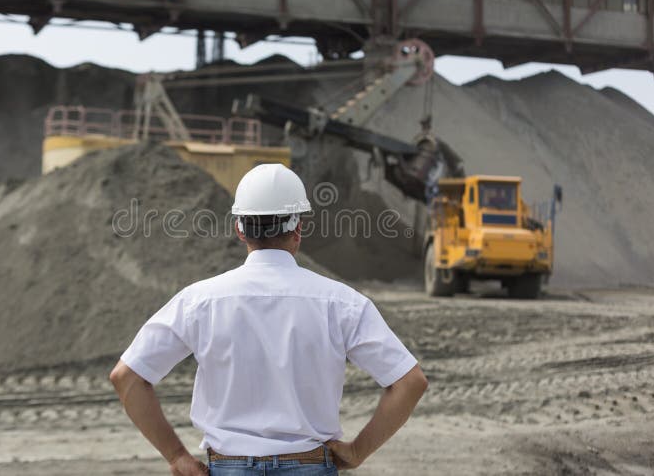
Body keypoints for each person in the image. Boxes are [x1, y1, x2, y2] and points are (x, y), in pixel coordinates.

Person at [110, 163, 428, 475]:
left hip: (228, 467)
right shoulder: (341, 303)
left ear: (239, 228)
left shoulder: (200, 301)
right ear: (298, 228)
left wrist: (177, 455)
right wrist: (358, 451)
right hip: (310, 466)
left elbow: (128, 377)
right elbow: (409, 382)